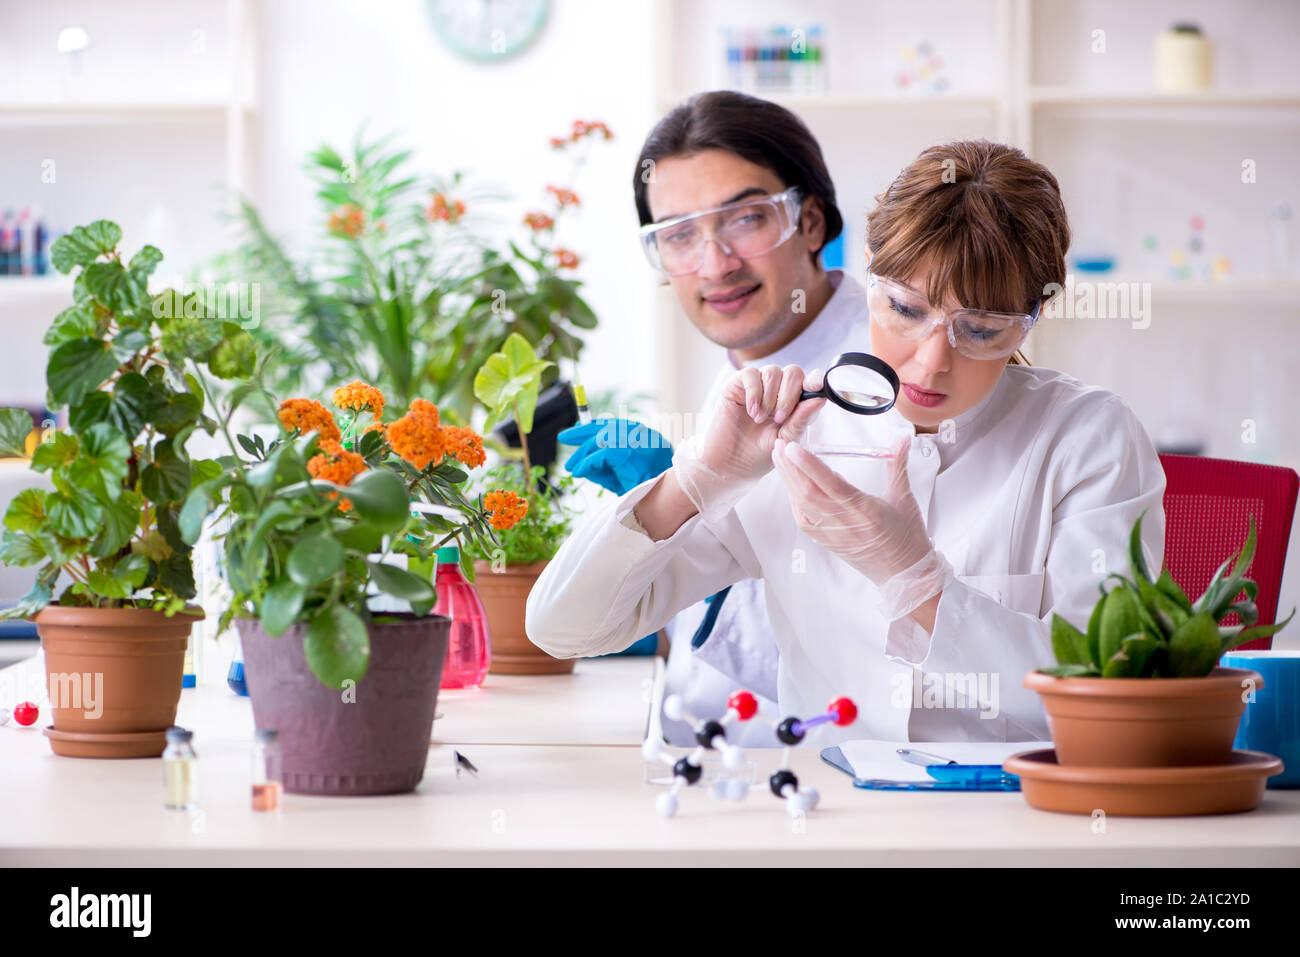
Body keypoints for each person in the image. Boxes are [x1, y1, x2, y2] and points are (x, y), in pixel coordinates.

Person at [529, 139, 1167, 746]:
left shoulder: (1087, 439)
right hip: (825, 815)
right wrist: (694, 481)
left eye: (980, 330)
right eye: (905, 310)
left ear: (1032, 318)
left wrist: (918, 583)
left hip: (1013, 821)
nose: (929, 362)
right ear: (866, 274)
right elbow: (562, 628)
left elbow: (1107, 700)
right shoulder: (792, 432)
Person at [557, 91, 872, 745]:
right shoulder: (746, 364)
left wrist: (693, 510)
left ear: (811, 222)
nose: (715, 263)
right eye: (678, 235)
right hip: (700, 744)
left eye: (745, 219)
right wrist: (665, 507)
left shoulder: (879, 382)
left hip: (807, 766)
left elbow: (841, 630)